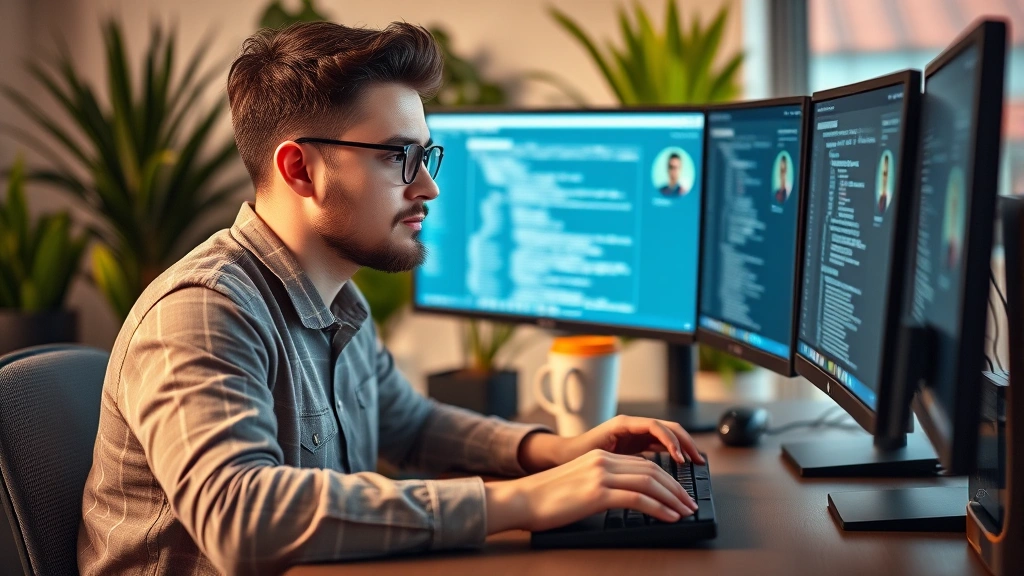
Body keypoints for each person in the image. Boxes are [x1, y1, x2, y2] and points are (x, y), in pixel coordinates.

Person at [77, 22, 700, 576]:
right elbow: (243, 518)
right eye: (399, 156)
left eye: (425, 155)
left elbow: (409, 422)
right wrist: (523, 500)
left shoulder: (340, 299)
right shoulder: (205, 311)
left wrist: (551, 452)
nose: (427, 185)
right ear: (300, 171)